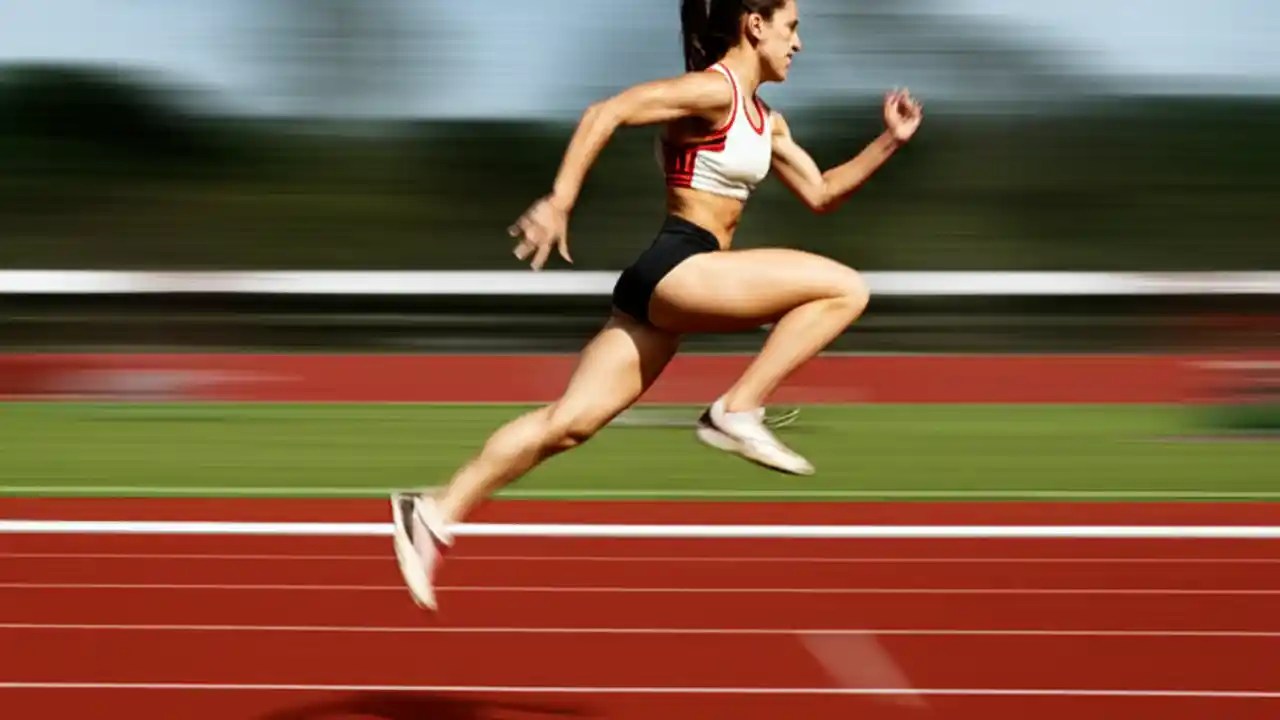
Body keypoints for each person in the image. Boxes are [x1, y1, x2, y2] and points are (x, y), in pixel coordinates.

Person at [392, 0, 923, 611]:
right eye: (792, 28)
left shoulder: (767, 121)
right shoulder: (711, 92)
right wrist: (560, 201)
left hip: (663, 284)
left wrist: (890, 140)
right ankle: (737, 409)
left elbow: (822, 192)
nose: (798, 44)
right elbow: (608, 111)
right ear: (755, 25)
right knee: (844, 288)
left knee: (567, 424)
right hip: (681, 266)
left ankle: (433, 511)